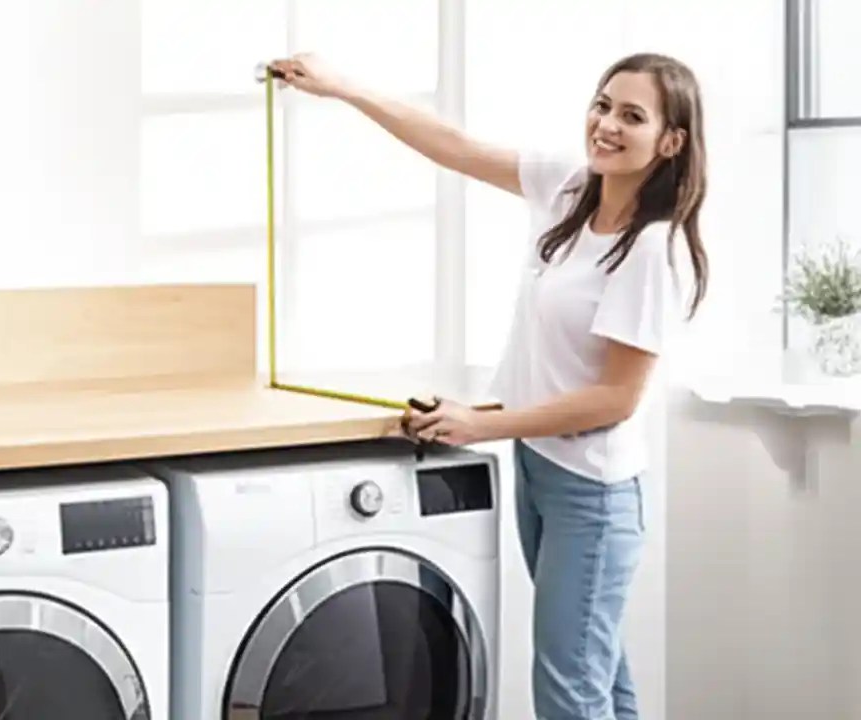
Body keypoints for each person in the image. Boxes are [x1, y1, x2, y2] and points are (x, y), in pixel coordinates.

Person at [268, 51, 708, 720]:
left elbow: (615, 401)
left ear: (670, 142)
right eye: (602, 103)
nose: (607, 124)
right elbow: (453, 147)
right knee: (596, 672)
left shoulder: (651, 249)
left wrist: (480, 424)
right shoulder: (571, 186)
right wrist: (342, 87)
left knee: (568, 688)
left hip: (593, 492)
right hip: (541, 468)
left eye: (632, 115)